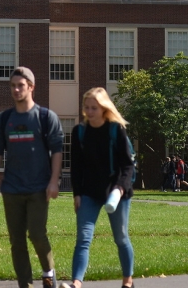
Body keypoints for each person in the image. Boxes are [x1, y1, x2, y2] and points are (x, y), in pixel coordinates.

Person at [0, 66, 64, 288]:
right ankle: (25, 285)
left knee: (37, 234)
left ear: (31, 87)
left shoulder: (45, 117)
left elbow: (57, 151)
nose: (16, 89)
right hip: (12, 189)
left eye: (20, 85)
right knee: (16, 241)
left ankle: (48, 272)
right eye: (12, 86)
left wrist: (53, 181)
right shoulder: (4, 119)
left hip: (38, 188)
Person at [65, 87, 135, 288]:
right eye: (86, 107)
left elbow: (127, 165)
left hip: (117, 192)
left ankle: (127, 280)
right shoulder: (80, 132)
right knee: (83, 239)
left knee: (121, 238)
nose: (89, 111)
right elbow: (76, 166)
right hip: (89, 192)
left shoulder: (115, 130)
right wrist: (77, 194)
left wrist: (120, 188)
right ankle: (76, 282)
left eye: (93, 108)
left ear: (104, 108)